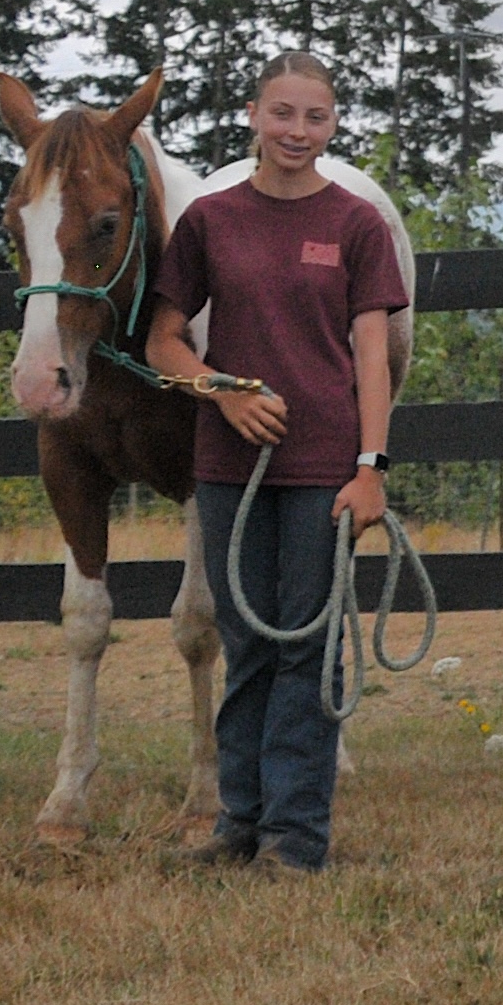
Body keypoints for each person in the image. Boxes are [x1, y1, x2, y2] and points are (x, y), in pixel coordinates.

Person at [150, 52, 408, 874]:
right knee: (246, 640)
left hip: (326, 467)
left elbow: (374, 357)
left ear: (334, 125)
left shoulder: (357, 225)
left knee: (308, 641)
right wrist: (221, 390)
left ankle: (294, 836)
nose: (298, 131)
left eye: (316, 117)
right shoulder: (210, 222)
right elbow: (163, 339)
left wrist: (371, 466)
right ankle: (240, 820)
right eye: (283, 113)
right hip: (228, 464)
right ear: (254, 115)